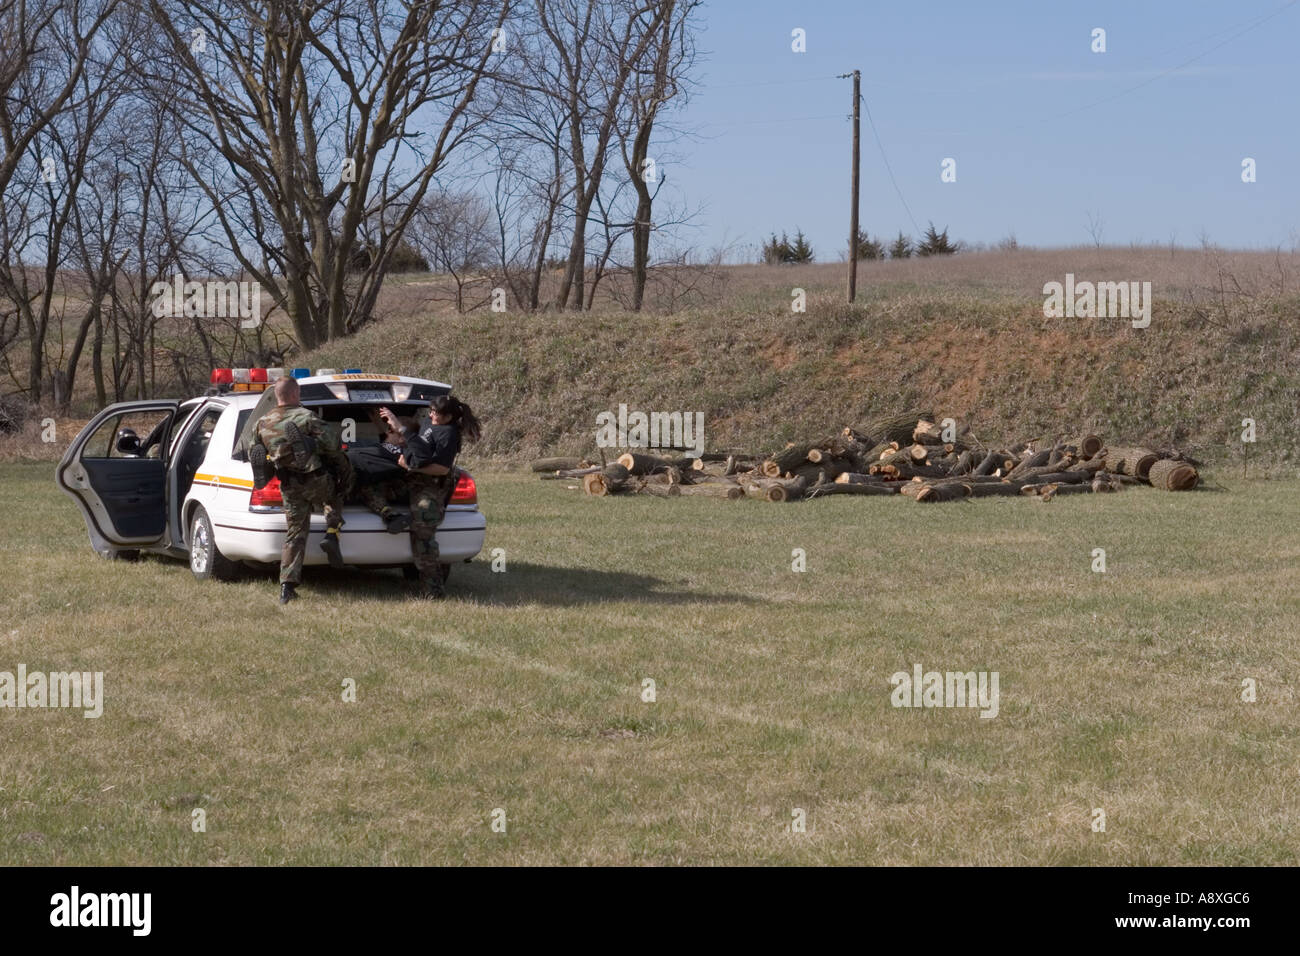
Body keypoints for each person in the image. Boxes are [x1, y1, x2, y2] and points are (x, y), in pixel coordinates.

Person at [252, 377, 349, 604]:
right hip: (315, 479)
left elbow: (251, 446)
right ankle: (332, 532)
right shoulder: (307, 416)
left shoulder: (262, 422)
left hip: (288, 484)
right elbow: (334, 443)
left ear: (277, 395)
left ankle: (287, 586)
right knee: (339, 489)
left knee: (295, 533)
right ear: (295, 394)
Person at [381, 395, 481, 600]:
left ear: (449, 417)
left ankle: (433, 591)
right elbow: (416, 441)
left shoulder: (449, 435)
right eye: (431, 411)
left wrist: (409, 465)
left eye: (437, 413)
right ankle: (392, 515)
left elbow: (442, 469)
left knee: (423, 535)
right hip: (408, 478)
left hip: (430, 486)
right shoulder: (429, 422)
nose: (432, 415)